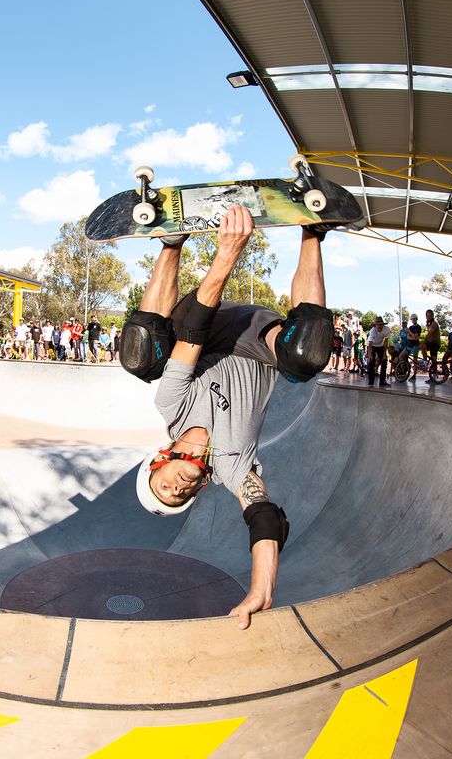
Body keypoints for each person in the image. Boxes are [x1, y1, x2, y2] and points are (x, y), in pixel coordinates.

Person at [120, 207, 333, 628]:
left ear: (159, 460)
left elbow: (194, 332)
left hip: (207, 329)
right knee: (306, 356)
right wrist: (261, 589)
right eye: (179, 495)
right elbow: (263, 514)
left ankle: (170, 243)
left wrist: (227, 254)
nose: (177, 487)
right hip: (254, 339)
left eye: (165, 486)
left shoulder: (171, 405)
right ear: (197, 492)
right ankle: (313, 231)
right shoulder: (233, 468)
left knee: (141, 355)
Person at [364, 316, 390, 387]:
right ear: (375, 325)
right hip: (372, 346)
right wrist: (369, 354)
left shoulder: (386, 329)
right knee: (371, 362)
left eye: (380, 324)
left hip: (380, 346)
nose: (379, 326)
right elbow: (370, 344)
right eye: (377, 325)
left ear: (383, 325)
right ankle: (371, 382)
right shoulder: (372, 331)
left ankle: (382, 381)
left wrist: (385, 354)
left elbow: (386, 341)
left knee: (384, 361)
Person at [422, 309, 440, 384]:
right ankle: (426, 361)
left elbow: (430, 333)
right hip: (430, 342)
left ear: (432, 316)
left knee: (434, 360)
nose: (428, 317)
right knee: (422, 347)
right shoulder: (428, 324)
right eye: (427, 316)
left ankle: (433, 375)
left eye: (429, 316)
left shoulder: (434, 323)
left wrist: (424, 340)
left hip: (435, 343)